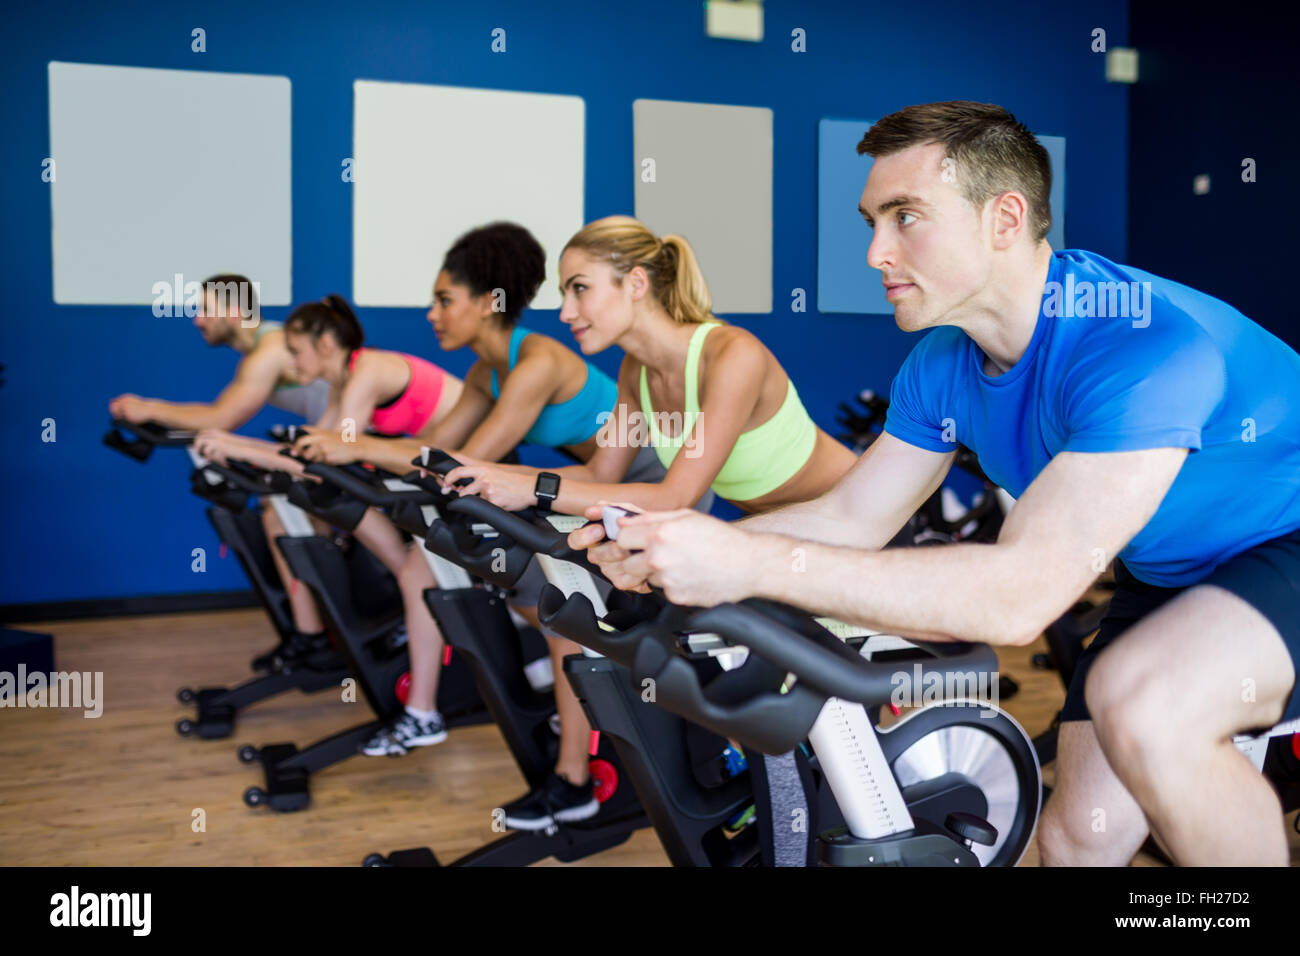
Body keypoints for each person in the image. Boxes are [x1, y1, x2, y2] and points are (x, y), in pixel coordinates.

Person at [571, 101, 1300, 867]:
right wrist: (675, 547)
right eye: (870, 222)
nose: (874, 252)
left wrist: (742, 566)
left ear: (1005, 219)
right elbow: (854, 514)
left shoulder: (1142, 346)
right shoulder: (941, 365)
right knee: (1078, 837)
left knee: (1146, 707)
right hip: (1168, 574)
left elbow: (1020, 598)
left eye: (905, 216)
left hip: (1283, 540)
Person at [441, 216, 857, 829]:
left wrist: (528, 482)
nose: (566, 311)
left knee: (799, 700)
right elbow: (606, 482)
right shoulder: (637, 377)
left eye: (580, 288)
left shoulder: (729, 355)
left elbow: (676, 494)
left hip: (852, 532)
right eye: (564, 293)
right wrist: (514, 497)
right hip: (767, 541)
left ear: (635, 283)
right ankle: (751, 797)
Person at [289, 222, 709, 781]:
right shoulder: (490, 368)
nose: (432, 314)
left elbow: (467, 460)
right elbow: (441, 452)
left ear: (489, 303)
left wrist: (354, 446)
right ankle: (573, 706)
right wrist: (350, 448)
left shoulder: (536, 361)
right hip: (591, 480)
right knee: (528, 594)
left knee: (566, 608)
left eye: (444, 300)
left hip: (643, 483)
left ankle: (576, 771)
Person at [194, 294, 463, 643]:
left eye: (295, 351)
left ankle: (425, 616)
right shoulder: (343, 381)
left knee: (347, 496)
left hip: (474, 459)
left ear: (324, 344)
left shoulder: (366, 374)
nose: (291, 363)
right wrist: (240, 447)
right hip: (432, 462)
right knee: (346, 501)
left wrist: (240, 447)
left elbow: (336, 452)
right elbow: (310, 448)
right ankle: (415, 611)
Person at [109, 273, 331, 429]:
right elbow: (216, 410)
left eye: (206, 310)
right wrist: (150, 407)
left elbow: (221, 419)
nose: (197, 320)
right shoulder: (261, 348)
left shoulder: (269, 351)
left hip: (353, 433)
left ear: (235, 313)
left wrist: (150, 410)